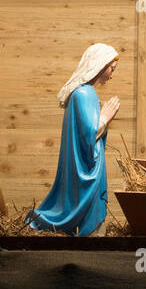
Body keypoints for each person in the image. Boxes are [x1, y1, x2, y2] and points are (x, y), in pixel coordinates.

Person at [27, 43, 120, 236]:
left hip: (87, 161)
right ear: (100, 65)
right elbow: (88, 135)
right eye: (112, 68)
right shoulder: (84, 94)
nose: (112, 74)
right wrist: (105, 117)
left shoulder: (85, 94)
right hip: (86, 166)